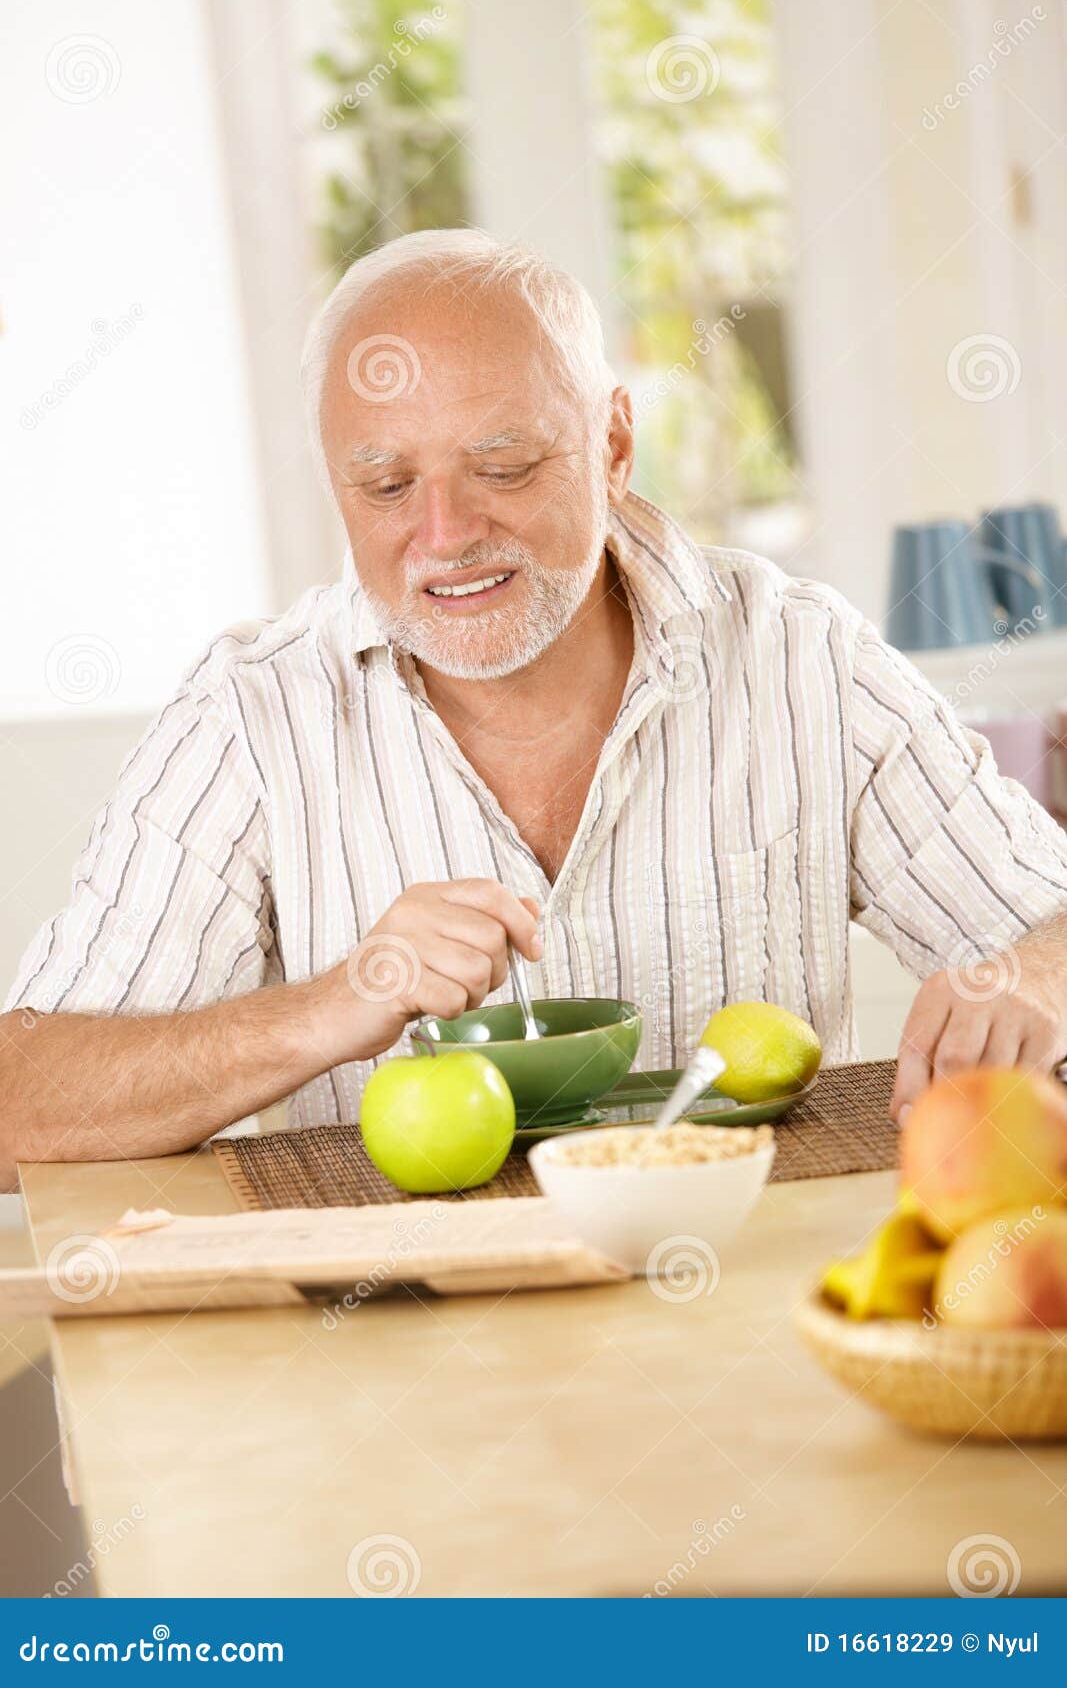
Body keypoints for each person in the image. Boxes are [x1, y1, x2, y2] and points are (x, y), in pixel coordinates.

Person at [4, 228, 1067, 1189]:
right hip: (404, 1322)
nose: (445, 534)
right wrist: (330, 1006)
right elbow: (19, 1106)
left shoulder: (801, 658)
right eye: (385, 486)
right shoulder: (251, 716)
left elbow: (1044, 930)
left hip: (761, 1299)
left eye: (502, 467)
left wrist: (1036, 975)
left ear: (613, 445)